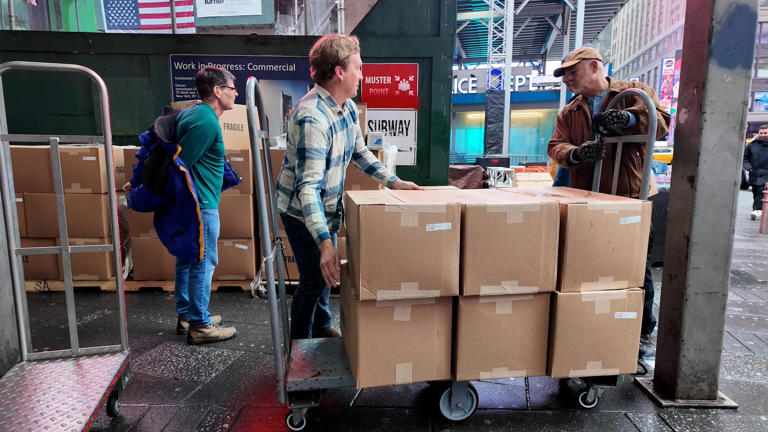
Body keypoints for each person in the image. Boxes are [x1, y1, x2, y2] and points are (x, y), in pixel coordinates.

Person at [276, 34, 422, 340]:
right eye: (358, 67)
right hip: (301, 211)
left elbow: (360, 153)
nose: (362, 74)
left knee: (326, 273)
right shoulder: (311, 117)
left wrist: (394, 181)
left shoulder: (347, 108)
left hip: (325, 204)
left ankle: (322, 324)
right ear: (340, 72)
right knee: (315, 277)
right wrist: (325, 243)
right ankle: (299, 350)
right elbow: (307, 189)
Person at [547, 46, 671, 349]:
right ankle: (595, 323)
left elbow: (662, 123)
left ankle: (640, 331)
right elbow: (555, 146)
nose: (567, 80)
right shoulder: (571, 111)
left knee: (634, 267)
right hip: (588, 200)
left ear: (594, 66)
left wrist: (627, 119)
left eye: (571, 73)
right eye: (564, 75)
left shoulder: (634, 93)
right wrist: (576, 153)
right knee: (591, 264)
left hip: (628, 197)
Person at [124, 66, 238, 345]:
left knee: (188, 258)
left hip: (197, 202)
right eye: (231, 87)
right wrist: (144, 187)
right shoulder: (206, 121)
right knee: (203, 261)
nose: (235, 92)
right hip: (202, 204)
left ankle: (187, 314)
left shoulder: (196, 114)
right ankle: (200, 324)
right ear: (217, 90)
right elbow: (180, 164)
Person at [743, 125, 768, 220]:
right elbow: (745, 157)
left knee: (761, 191)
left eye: (765, 133)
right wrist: (748, 167)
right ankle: (756, 210)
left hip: (766, 174)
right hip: (754, 173)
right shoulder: (752, 145)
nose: (763, 135)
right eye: (761, 133)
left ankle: (757, 210)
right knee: (756, 193)